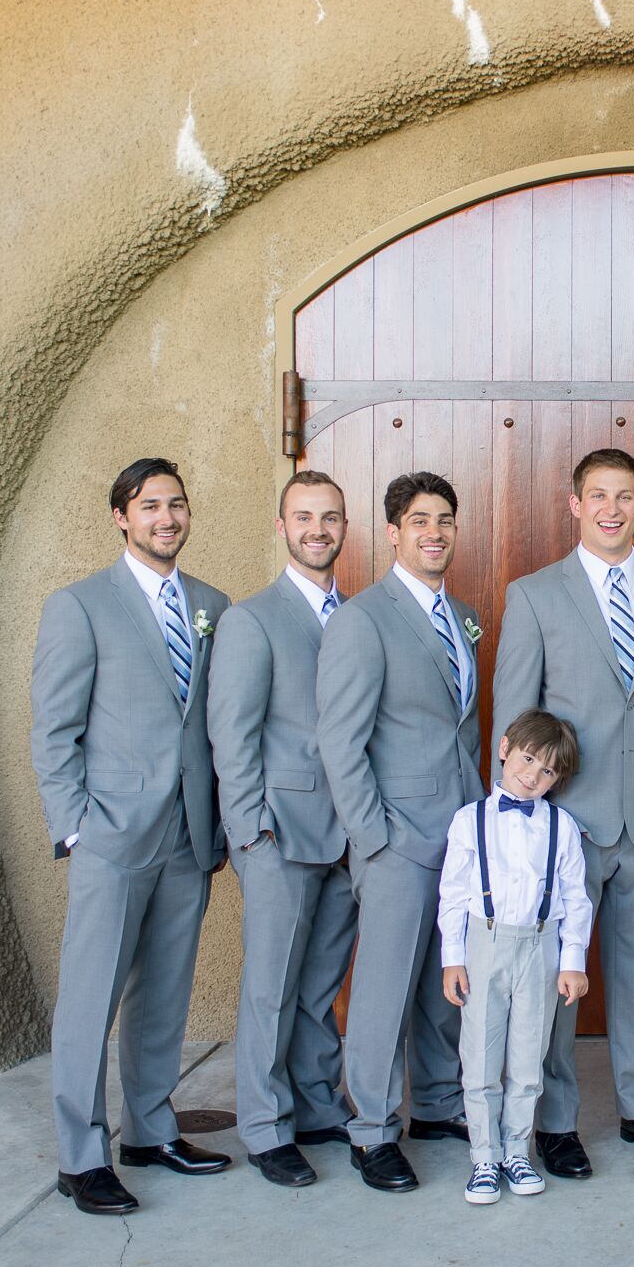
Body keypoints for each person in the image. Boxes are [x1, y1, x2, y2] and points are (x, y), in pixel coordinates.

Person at [489, 448, 634, 1181]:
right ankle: (555, 1120)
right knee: (560, 973)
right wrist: (520, 821)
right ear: (575, 504)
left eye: (625, 496)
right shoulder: (534, 594)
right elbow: (516, 718)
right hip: (565, 824)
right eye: (597, 495)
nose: (611, 508)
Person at [29, 457, 233, 1216]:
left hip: (187, 832)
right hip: (111, 834)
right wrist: (75, 828)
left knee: (164, 994)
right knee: (91, 995)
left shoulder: (212, 604)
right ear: (122, 515)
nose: (167, 518)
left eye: (177, 505)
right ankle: (82, 1155)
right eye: (150, 506)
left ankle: (150, 1128)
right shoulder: (79, 606)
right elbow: (54, 728)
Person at [318, 471, 484, 1193]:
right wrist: (373, 838)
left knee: (443, 983)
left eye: (445, 519)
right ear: (393, 532)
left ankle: (439, 1104)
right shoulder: (363, 618)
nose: (434, 531)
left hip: (459, 832)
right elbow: (340, 741)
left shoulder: (462, 615)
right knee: (383, 992)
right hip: (395, 835)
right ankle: (373, 1131)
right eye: (420, 520)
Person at [207, 469, 358, 1188]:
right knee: (271, 985)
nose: (317, 529)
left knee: (320, 982)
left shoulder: (358, 615)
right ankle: (266, 1128)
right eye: (304, 517)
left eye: (329, 517)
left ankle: (318, 1104)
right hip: (278, 830)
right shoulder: (253, 618)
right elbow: (231, 734)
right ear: (282, 527)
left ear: (345, 527)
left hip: (347, 832)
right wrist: (248, 832)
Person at [438, 710, 594, 1205]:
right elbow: (453, 894)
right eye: (528, 760)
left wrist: (573, 960)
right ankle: (483, 1157)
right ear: (505, 748)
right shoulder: (469, 821)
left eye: (547, 772)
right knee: (480, 1055)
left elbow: (576, 897)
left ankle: (516, 1151)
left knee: (529, 1057)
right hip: (484, 944)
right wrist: (453, 958)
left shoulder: (561, 826)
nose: (532, 777)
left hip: (541, 947)